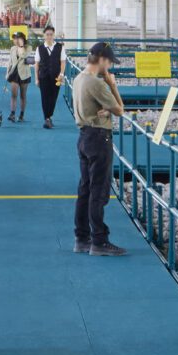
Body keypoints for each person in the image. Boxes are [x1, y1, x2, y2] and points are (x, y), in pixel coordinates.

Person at [70, 41, 127, 256]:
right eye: (109, 62)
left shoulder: (78, 79)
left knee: (85, 189)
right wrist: (112, 85)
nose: (110, 67)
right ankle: (99, 241)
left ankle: (81, 238)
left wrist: (106, 109)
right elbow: (120, 110)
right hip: (99, 138)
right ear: (102, 59)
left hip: (84, 136)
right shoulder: (97, 83)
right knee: (98, 190)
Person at [35, 25, 67, 129]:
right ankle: (47, 118)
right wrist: (36, 78)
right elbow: (36, 64)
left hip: (56, 77)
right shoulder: (39, 48)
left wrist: (61, 74)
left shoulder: (60, 47)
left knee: (53, 97)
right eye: (47, 34)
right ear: (44, 35)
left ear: (54, 35)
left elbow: (63, 62)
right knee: (44, 97)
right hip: (43, 76)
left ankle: (49, 116)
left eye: (51, 34)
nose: (49, 36)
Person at [4, 31, 31, 123]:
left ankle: (22, 115)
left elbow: (24, 55)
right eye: (14, 38)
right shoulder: (12, 48)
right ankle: (12, 114)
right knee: (13, 94)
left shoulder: (28, 47)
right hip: (14, 73)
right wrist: (7, 73)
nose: (15, 40)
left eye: (17, 38)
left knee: (23, 95)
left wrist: (21, 46)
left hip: (24, 74)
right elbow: (10, 62)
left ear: (22, 39)